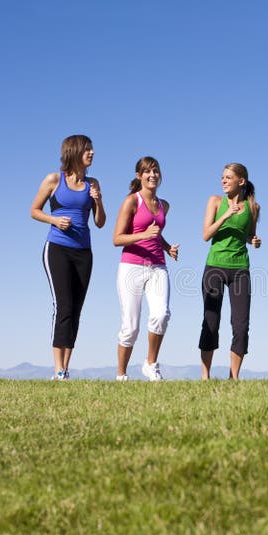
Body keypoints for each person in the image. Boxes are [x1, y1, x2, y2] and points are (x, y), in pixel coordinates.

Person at [30, 135, 106, 380]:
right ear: (74, 151)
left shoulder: (93, 183)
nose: (92, 153)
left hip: (84, 252)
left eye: (92, 149)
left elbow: (100, 222)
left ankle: (66, 368)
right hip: (57, 249)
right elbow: (34, 210)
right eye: (87, 149)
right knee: (62, 306)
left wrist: (98, 200)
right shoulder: (54, 179)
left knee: (76, 308)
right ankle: (57, 369)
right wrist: (54, 220)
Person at [113, 156, 179, 382]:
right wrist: (144, 235)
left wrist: (167, 247)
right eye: (147, 172)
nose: (152, 175)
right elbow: (117, 238)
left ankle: (151, 364)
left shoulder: (164, 205)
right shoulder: (132, 201)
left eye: (156, 171)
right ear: (139, 176)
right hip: (131, 267)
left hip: (158, 265)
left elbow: (156, 233)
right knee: (131, 326)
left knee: (162, 314)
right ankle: (121, 374)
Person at [199, 163, 261, 380]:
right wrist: (225, 216)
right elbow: (206, 235)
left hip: (240, 269)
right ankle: (205, 376)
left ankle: (233, 377)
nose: (223, 181)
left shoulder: (253, 207)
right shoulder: (215, 202)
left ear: (241, 181)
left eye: (228, 177)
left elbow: (249, 235)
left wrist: (254, 240)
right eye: (223, 177)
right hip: (215, 266)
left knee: (241, 324)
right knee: (211, 320)